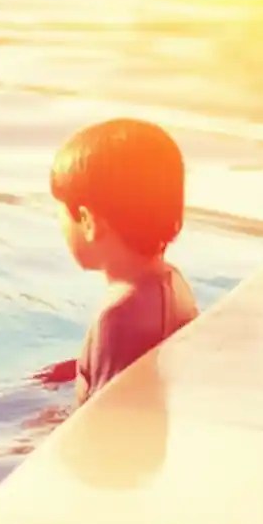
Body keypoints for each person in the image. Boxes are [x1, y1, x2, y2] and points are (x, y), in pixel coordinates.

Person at [50, 118, 199, 405]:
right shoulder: (173, 282)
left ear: (88, 221)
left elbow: (102, 426)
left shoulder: (116, 317)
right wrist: (81, 366)